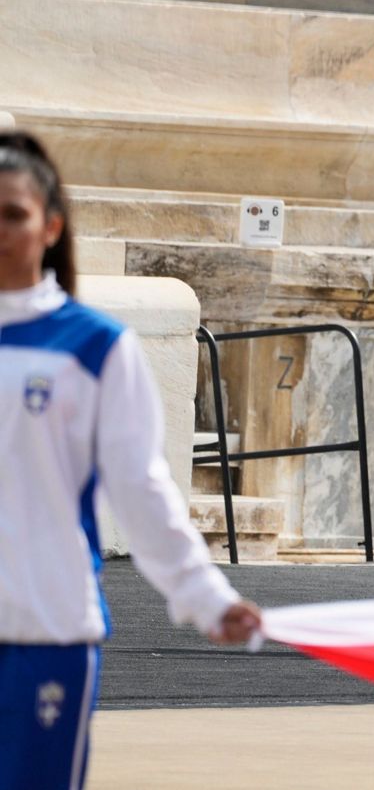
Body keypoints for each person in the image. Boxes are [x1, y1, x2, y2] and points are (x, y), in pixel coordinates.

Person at [0, 132, 261, 790]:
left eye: (13, 214)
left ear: (50, 225)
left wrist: (204, 596)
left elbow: (141, 488)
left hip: (46, 629)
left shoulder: (94, 348)